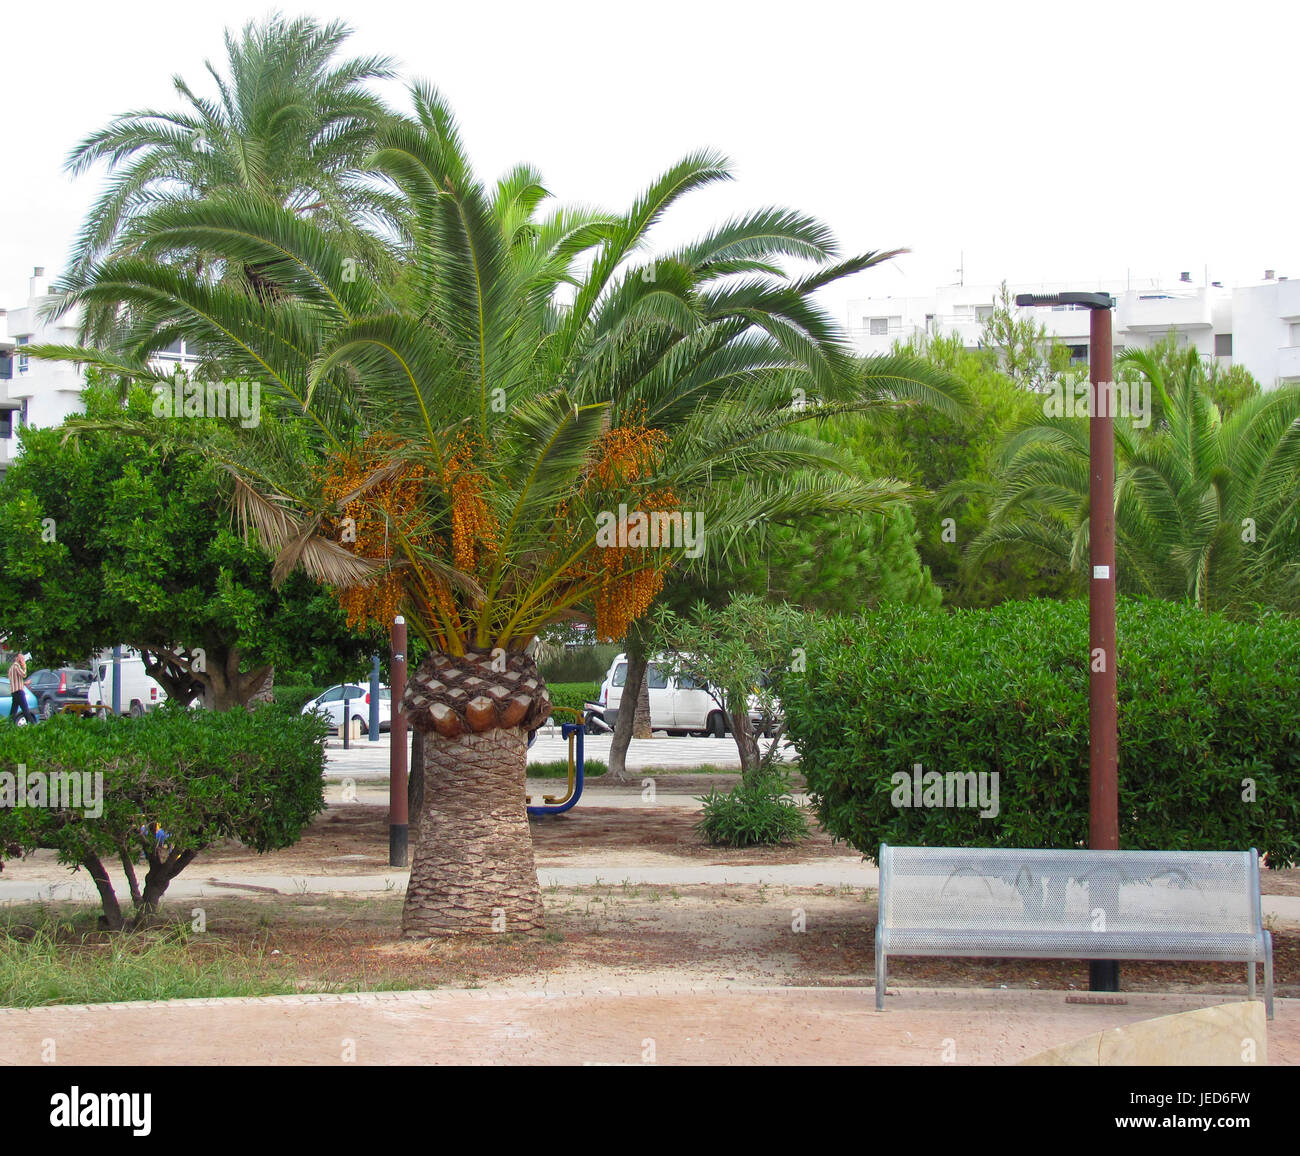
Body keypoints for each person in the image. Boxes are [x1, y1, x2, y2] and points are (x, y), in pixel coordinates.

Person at [7, 650, 36, 724]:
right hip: (19, 691)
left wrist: (24, 683)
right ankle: (32, 725)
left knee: (13, 711)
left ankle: (9, 725)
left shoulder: (11, 668)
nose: (22, 659)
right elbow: (23, 674)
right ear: (16, 658)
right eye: (21, 658)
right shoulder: (16, 666)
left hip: (14, 691)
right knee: (25, 710)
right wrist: (24, 666)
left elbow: (15, 681)